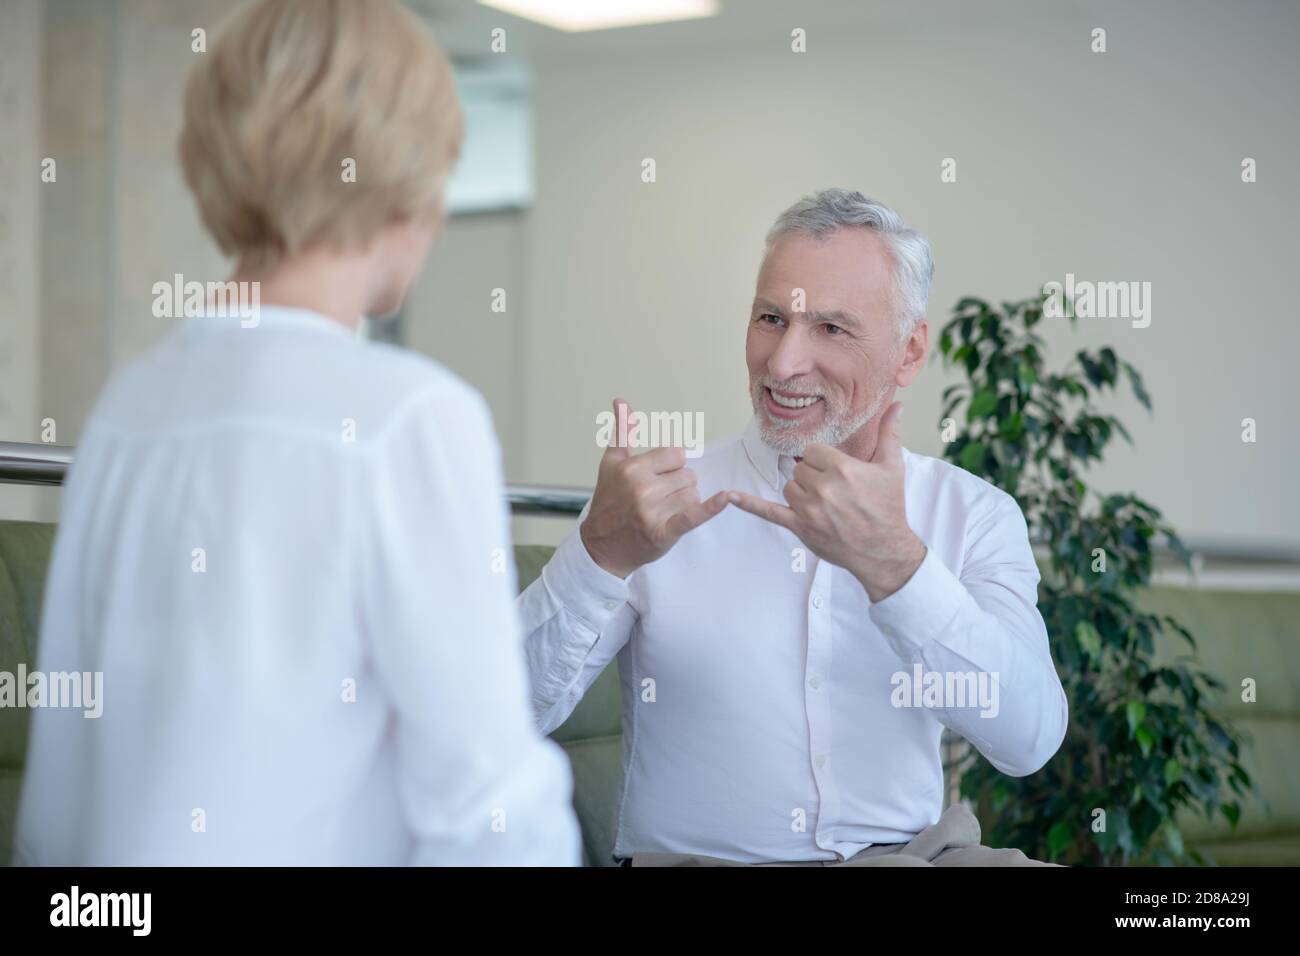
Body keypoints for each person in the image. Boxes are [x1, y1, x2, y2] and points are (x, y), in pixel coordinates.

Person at [14, 0, 580, 866]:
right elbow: (489, 814)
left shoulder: (127, 410)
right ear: (405, 176)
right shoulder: (412, 419)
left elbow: (61, 801)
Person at [520, 188, 1068, 866]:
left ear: (909, 350)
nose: (782, 365)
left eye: (831, 329)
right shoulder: (652, 503)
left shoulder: (974, 513)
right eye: (771, 318)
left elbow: (1028, 741)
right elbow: (499, 719)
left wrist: (898, 567)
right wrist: (598, 557)